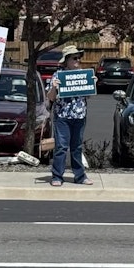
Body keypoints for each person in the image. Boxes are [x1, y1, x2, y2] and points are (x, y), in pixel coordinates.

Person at [45, 45, 94, 187]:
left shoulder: (83, 74)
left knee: (77, 147)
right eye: (74, 58)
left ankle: (80, 176)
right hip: (63, 117)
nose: (77, 60)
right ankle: (57, 176)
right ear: (66, 60)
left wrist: (92, 84)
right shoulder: (57, 75)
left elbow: (88, 95)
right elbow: (51, 97)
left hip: (79, 116)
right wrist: (54, 87)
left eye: (79, 58)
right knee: (61, 147)